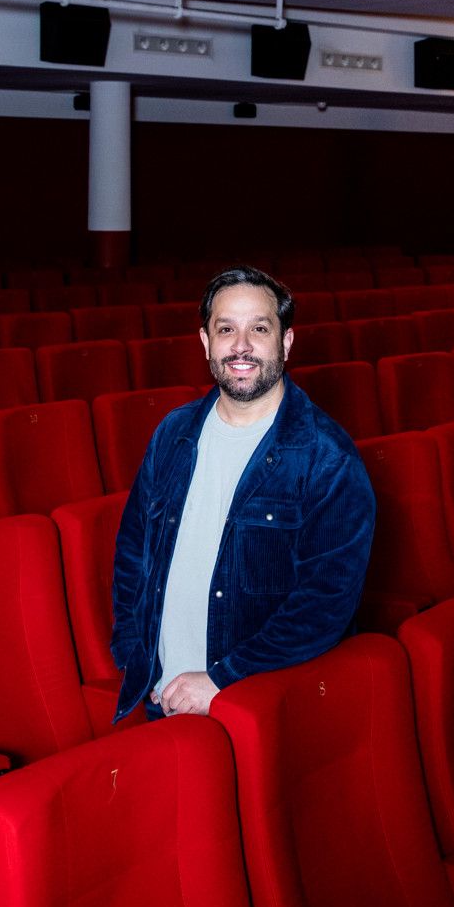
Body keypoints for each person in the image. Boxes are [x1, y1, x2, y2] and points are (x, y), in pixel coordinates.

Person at [110, 264, 376, 719]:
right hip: (162, 695)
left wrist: (223, 678)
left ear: (286, 342)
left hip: (250, 702)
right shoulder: (173, 433)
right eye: (226, 329)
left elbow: (325, 603)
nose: (241, 346)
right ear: (205, 342)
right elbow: (133, 552)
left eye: (259, 328)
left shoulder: (328, 458)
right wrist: (134, 651)